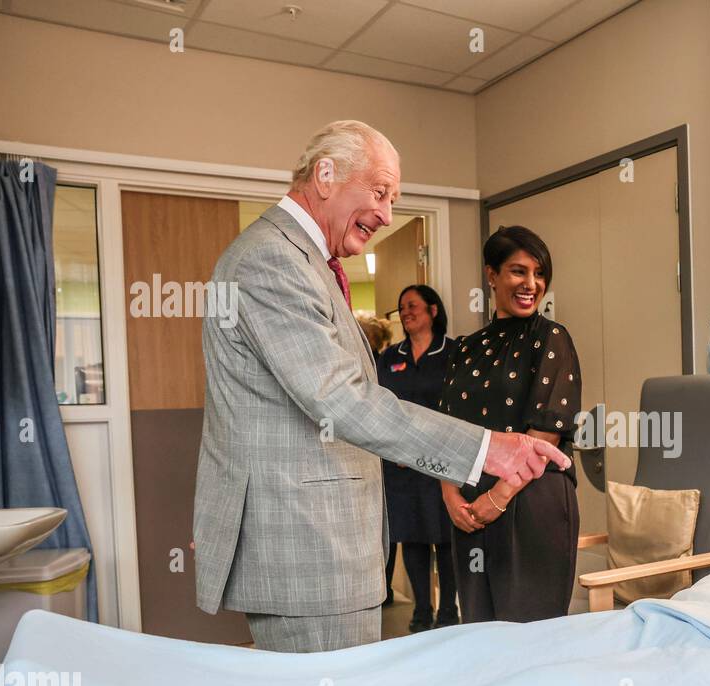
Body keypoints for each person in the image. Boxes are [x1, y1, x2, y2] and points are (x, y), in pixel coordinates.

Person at [193, 120, 568, 653]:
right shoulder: (271, 260)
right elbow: (340, 398)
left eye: (394, 198)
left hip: (325, 541)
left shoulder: (308, 262)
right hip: (308, 545)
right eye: (380, 191)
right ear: (325, 175)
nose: (388, 214)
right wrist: (486, 449)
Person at [438, 226, 582, 623]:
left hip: (531, 502)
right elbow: (447, 429)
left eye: (539, 274)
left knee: (528, 634)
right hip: (469, 508)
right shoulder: (464, 348)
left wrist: (497, 499)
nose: (531, 284)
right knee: (478, 630)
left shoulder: (551, 338)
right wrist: (451, 496)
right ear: (491, 275)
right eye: (518, 271)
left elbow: (544, 434)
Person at [376, 284, 457, 632]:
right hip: (403, 464)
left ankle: (449, 611)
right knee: (413, 536)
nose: (405, 312)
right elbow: (380, 406)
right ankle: (422, 611)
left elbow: (461, 408)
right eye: (401, 307)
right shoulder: (390, 357)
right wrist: (395, 447)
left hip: (444, 462)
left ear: (433, 310)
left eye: (413, 305)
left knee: (446, 538)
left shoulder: (454, 352)